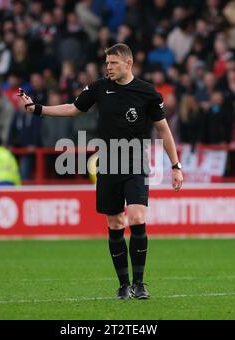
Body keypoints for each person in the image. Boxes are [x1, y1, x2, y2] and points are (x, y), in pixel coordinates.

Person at [18, 43, 183, 300]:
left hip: (136, 160)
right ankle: (123, 285)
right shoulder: (98, 88)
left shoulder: (147, 92)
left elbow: (163, 130)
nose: (108, 67)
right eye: (106, 63)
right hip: (108, 161)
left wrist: (175, 165)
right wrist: (38, 109)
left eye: (113, 63)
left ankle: (139, 284)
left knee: (138, 218)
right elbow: (73, 109)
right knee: (115, 223)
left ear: (128, 63)